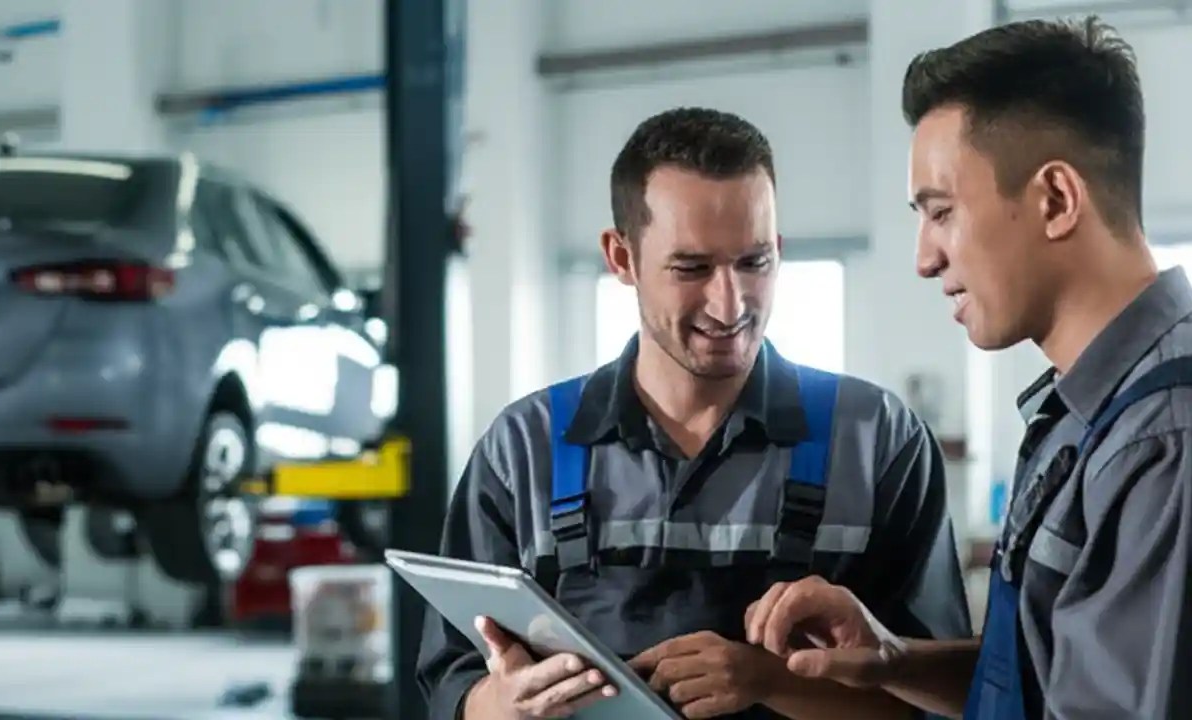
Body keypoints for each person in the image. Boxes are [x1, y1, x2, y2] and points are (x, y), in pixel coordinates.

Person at [416, 106, 973, 720]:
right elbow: (451, 683)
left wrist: (768, 680)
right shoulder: (524, 450)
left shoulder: (876, 441)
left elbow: (942, 698)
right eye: (692, 268)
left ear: (778, 249)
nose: (729, 304)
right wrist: (504, 704)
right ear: (622, 258)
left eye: (753, 263)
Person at [744, 16, 1192, 720]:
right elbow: (1044, 677)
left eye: (942, 212)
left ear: (1055, 200)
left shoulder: (1164, 438)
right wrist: (892, 659)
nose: (925, 258)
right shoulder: (1086, 415)